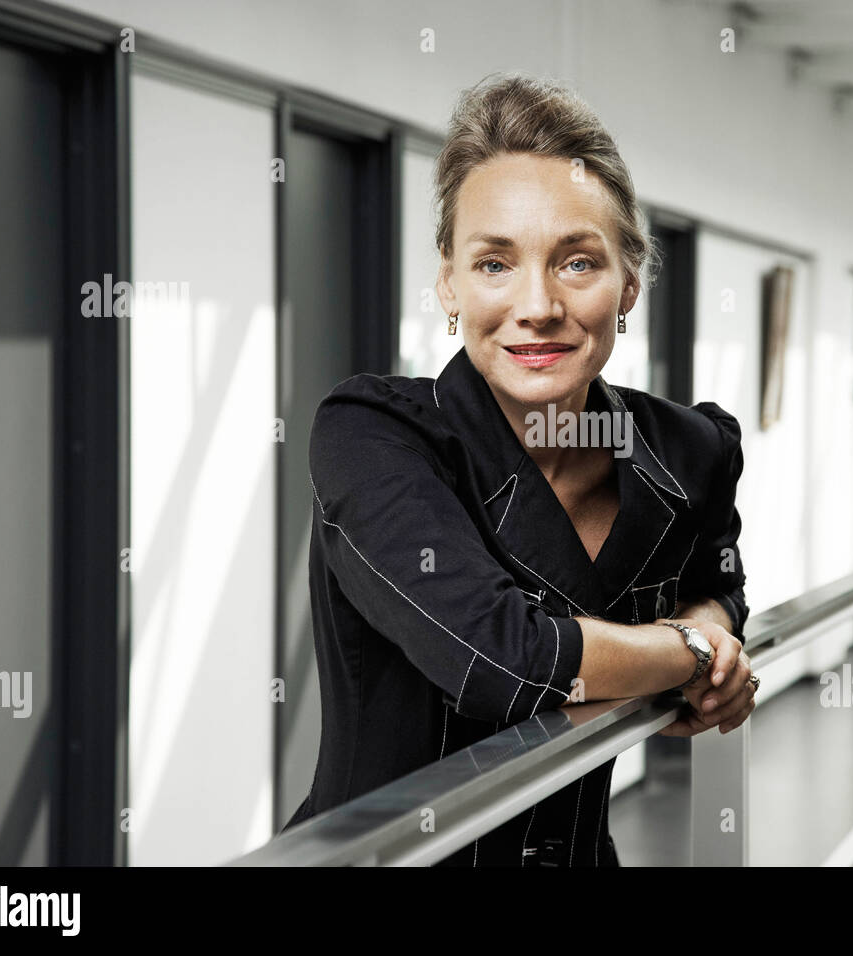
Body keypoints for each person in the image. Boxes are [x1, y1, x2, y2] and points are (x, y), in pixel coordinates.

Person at [280, 72, 756, 867]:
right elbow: (509, 662)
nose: (536, 305)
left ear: (630, 283)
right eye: (495, 264)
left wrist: (713, 627)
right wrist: (697, 655)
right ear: (450, 284)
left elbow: (720, 585)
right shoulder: (374, 437)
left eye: (577, 263)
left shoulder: (687, 450)